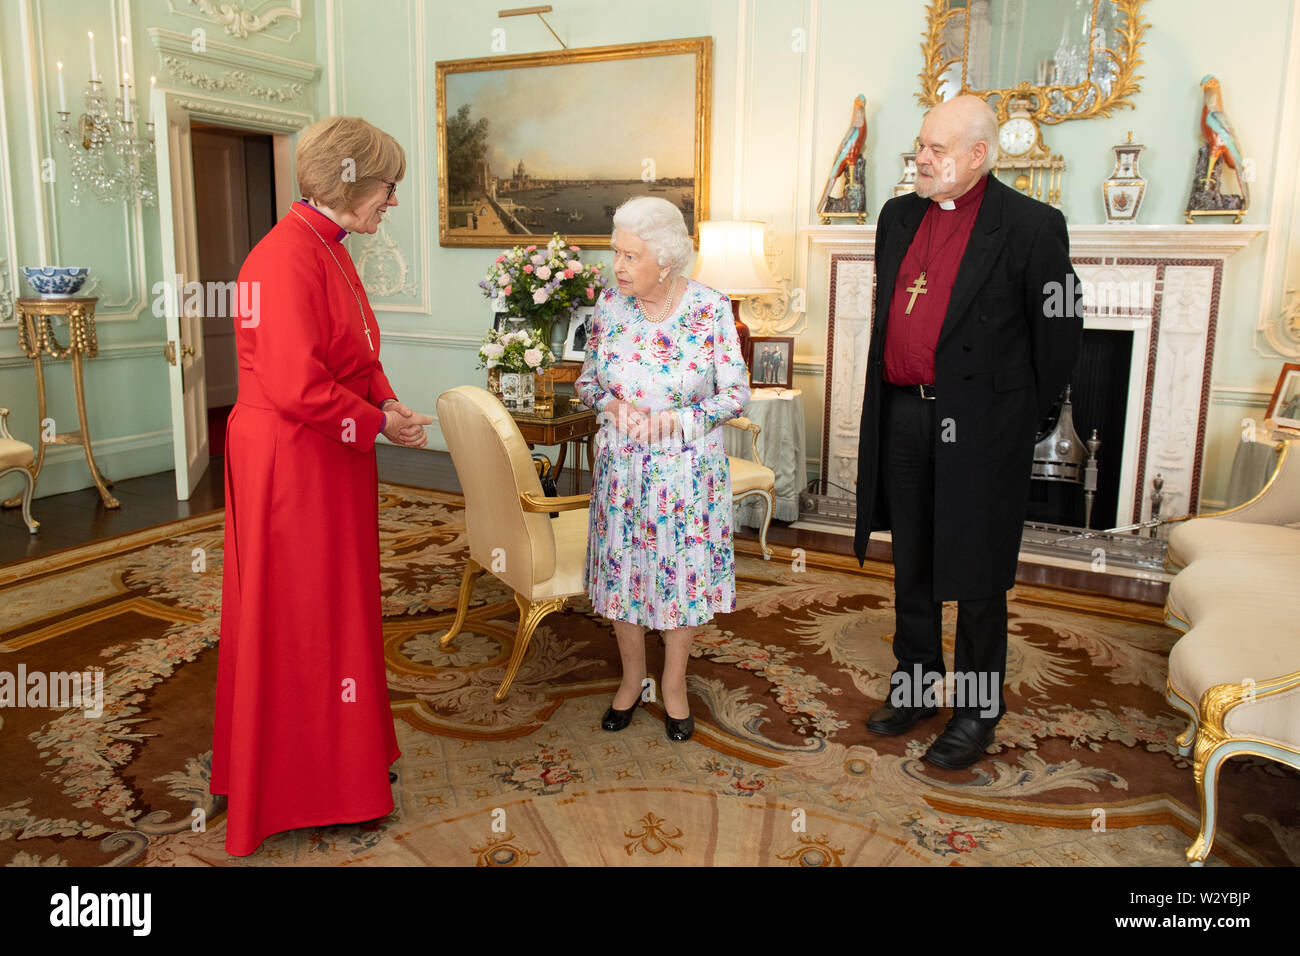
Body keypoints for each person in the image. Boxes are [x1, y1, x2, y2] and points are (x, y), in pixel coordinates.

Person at [212, 115, 434, 856]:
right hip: (290, 463)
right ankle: (306, 783)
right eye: (388, 186)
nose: (391, 202)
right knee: (304, 615)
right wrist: (375, 423)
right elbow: (296, 385)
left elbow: (356, 350)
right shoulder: (281, 260)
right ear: (350, 180)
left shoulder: (329, 249)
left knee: (337, 607)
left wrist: (387, 402)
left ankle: (345, 767)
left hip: (324, 453)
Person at [853, 95, 1082, 770]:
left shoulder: (1034, 225)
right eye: (919, 147)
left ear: (978, 156)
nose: (921, 160)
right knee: (914, 559)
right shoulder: (897, 216)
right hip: (903, 412)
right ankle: (917, 684)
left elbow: (1061, 327)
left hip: (983, 427)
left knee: (978, 575)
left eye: (937, 150)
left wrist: (1022, 417)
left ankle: (979, 709)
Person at [574, 196, 750, 742]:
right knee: (623, 574)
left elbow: (736, 395)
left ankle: (672, 685)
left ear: (666, 260)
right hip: (622, 472)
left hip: (687, 475)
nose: (617, 266)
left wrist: (676, 421)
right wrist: (610, 405)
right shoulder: (608, 307)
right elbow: (586, 382)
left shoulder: (710, 309)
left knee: (682, 580)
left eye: (629, 256)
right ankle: (632, 680)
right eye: (616, 253)